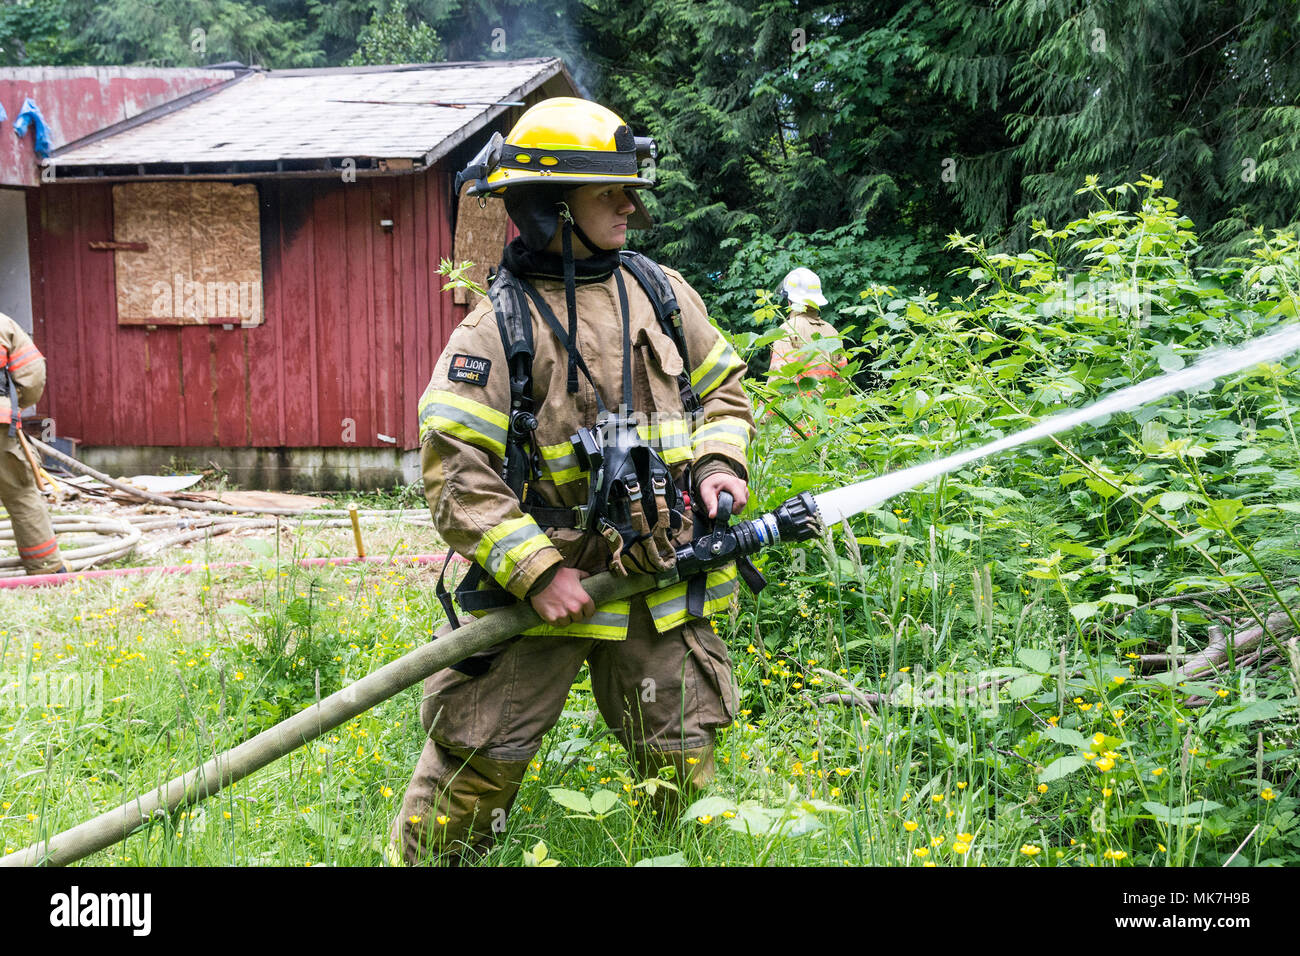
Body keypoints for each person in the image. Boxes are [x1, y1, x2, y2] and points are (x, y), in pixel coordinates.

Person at [391, 98, 756, 864]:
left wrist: (720, 465)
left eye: (629, 187)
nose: (632, 205)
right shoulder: (495, 331)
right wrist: (537, 571)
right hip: (545, 600)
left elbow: (725, 390)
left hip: (658, 588)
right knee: (474, 766)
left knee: (682, 765)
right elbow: (455, 473)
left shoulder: (661, 293)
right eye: (609, 192)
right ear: (553, 209)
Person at [0, 311, 64, 575]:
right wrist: (14, 405)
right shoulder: (4, 324)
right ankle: (46, 570)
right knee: (21, 494)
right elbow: (32, 376)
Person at [768, 266, 847, 380]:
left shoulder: (787, 330)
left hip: (799, 398)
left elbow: (779, 379)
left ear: (790, 300)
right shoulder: (832, 332)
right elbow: (843, 382)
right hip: (831, 398)